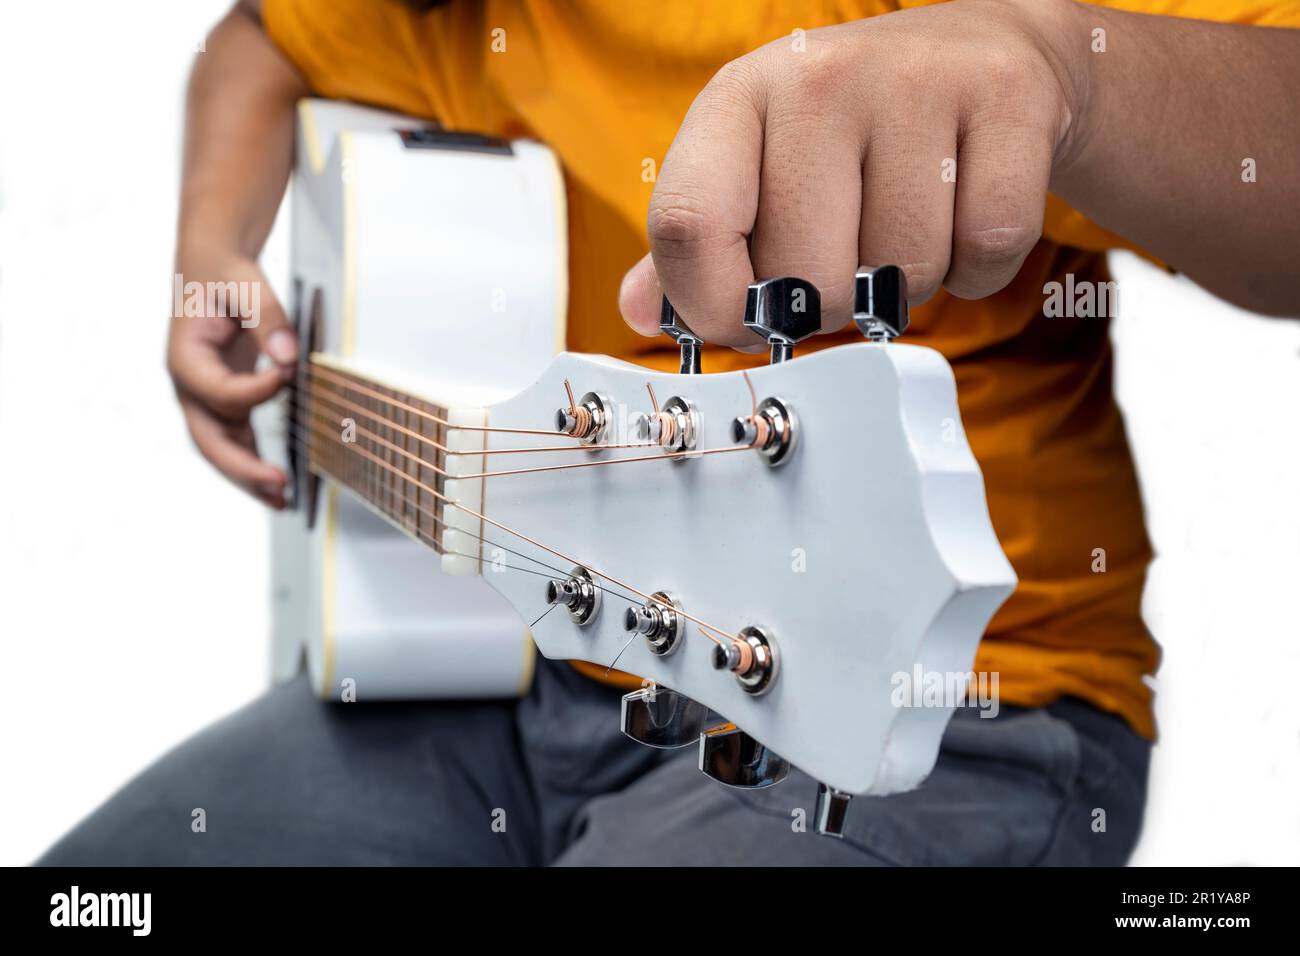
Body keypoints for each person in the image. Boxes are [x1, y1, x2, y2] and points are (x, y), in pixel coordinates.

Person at [40, 0, 1299, 865]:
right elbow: (262, 40)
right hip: (514, 650)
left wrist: (1056, 70)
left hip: (943, 703)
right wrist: (210, 255)